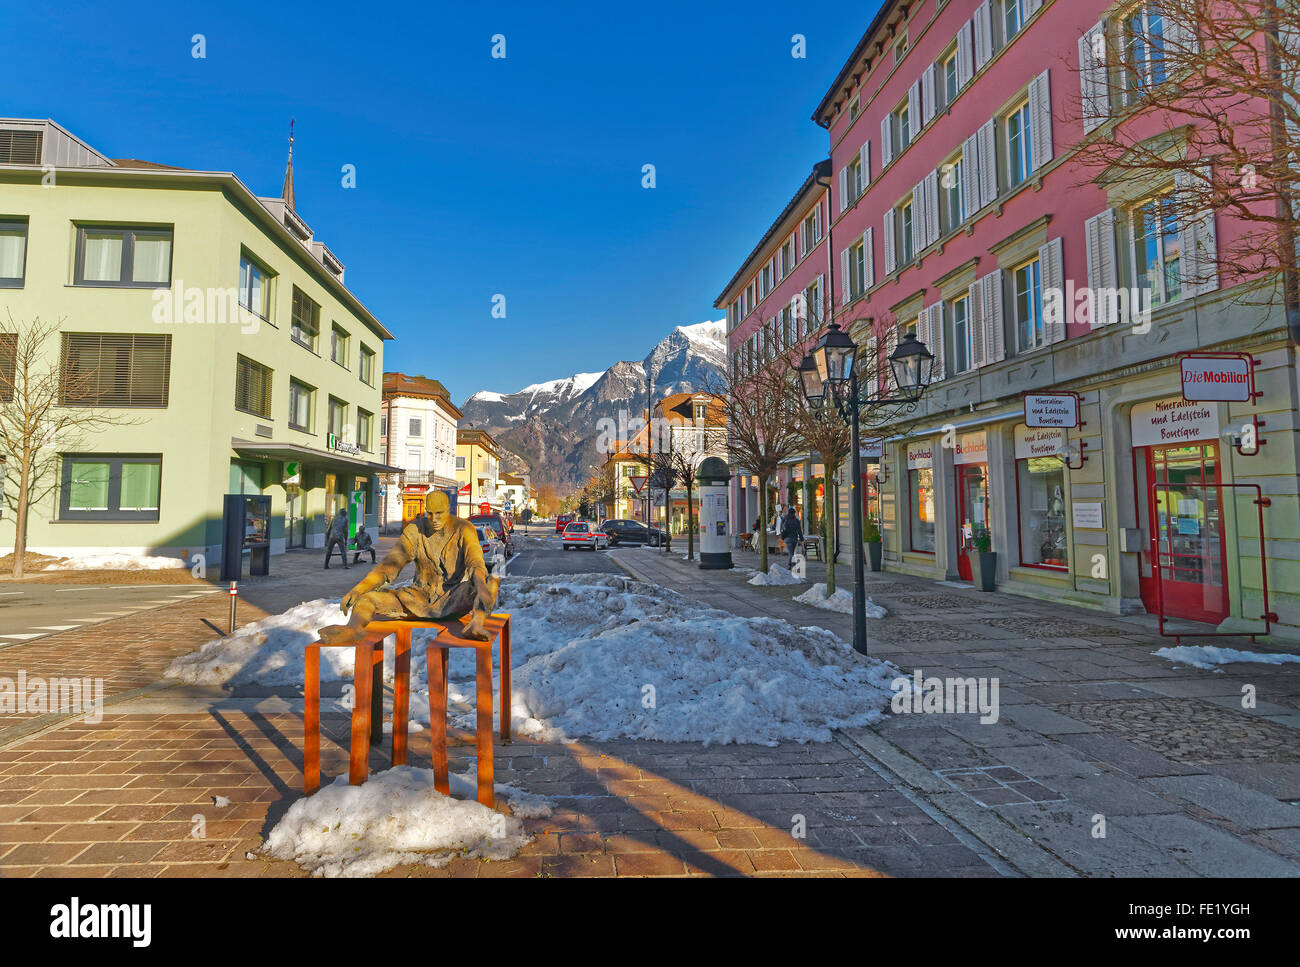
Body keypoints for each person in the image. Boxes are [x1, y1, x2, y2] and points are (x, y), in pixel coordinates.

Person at [318, 490, 500, 644]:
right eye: (430, 513)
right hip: (417, 599)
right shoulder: (415, 530)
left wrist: (481, 587)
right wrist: (358, 590)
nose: (434, 519)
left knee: (490, 583)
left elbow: (475, 563)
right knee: (368, 599)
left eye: (439, 513)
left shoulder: (464, 529)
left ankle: (476, 623)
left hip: (453, 599)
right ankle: (353, 629)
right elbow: (389, 566)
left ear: (449, 510)